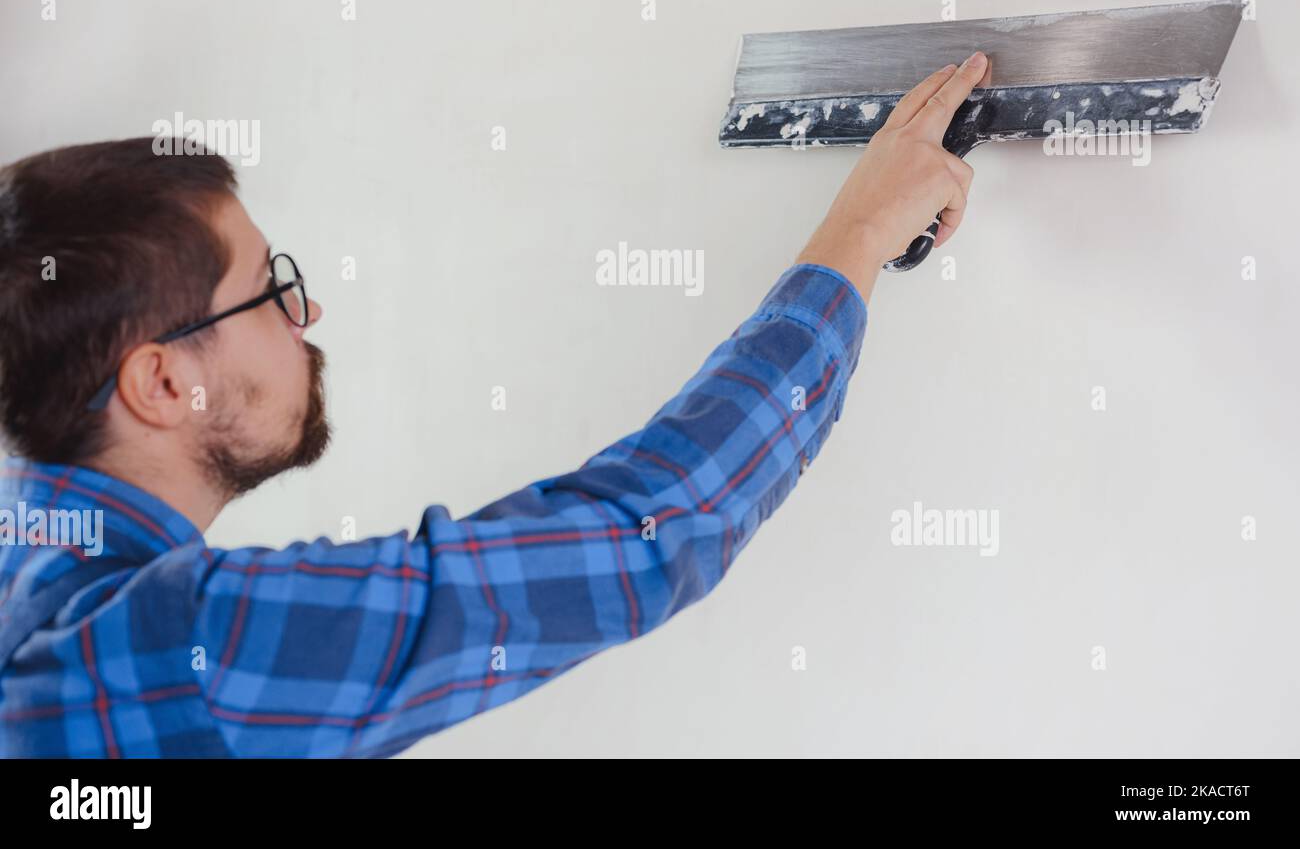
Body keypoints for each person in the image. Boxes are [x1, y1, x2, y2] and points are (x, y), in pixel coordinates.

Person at [0, 53, 986, 758]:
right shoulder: (174, 643)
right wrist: (857, 234)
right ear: (162, 382)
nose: (307, 312)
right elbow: (644, 535)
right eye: (268, 290)